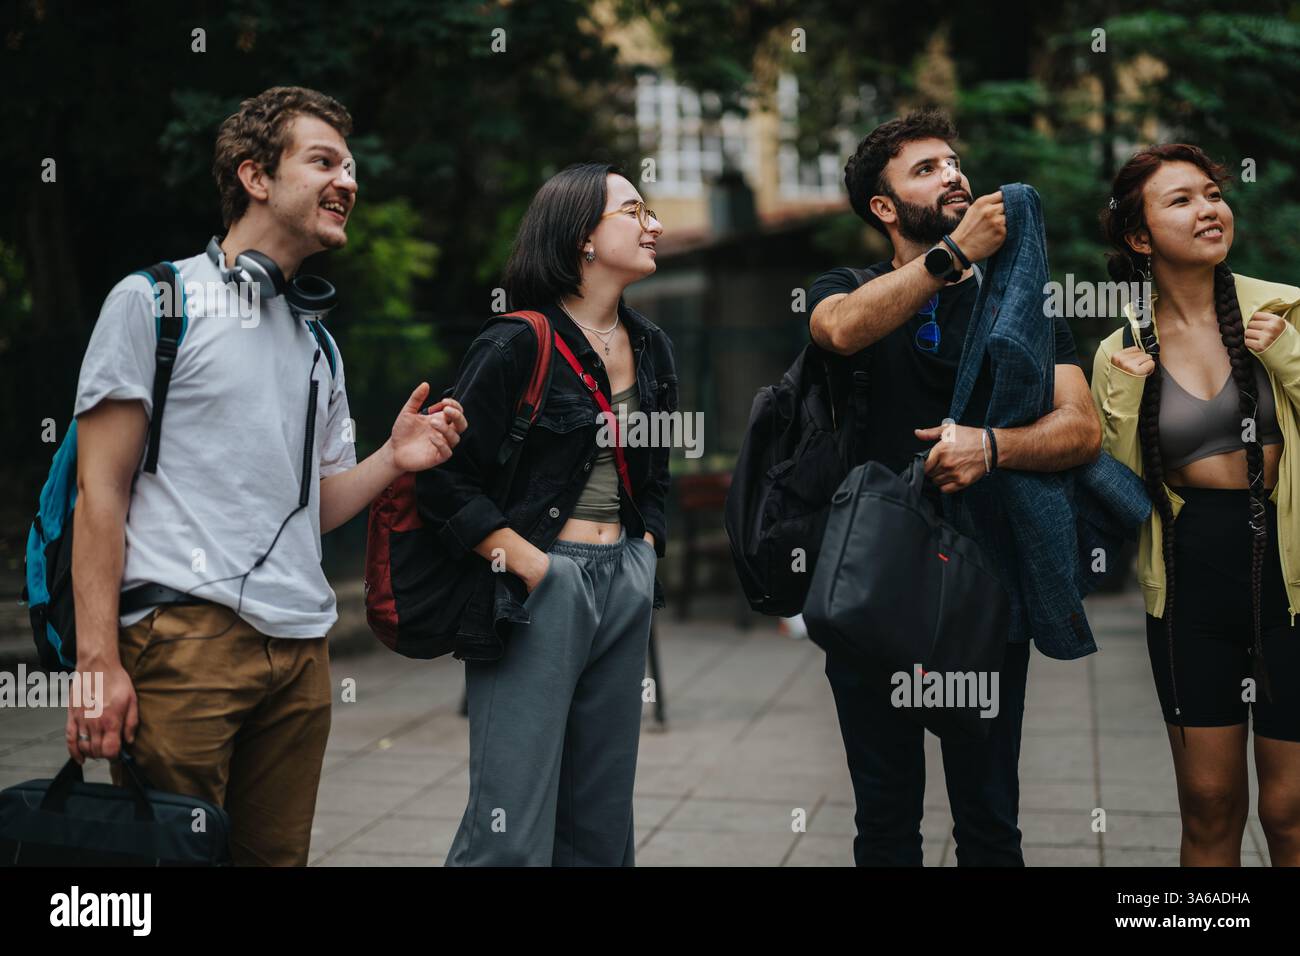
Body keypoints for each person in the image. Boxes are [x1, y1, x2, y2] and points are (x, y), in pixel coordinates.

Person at [66, 86, 467, 865]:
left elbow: (309, 511)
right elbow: (99, 492)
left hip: (301, 654)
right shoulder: (156, 303)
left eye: (350, 167)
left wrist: (394, 458)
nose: (347, 181)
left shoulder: (319, 346)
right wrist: (96, 665)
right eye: (323, 161)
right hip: (182, 643)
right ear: (255, 176)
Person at [807, 108, 1101, 866]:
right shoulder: (849, 286)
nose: (954, 175)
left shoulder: (1023, 302)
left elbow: (1082, 429)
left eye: (954, 162)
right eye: (926, 169)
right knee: (885, 824)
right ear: (883, 206)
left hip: (986, 595)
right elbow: (838, 330)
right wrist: (949, 257)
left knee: (990, 823)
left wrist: (994, 447)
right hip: (873, 591)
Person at [418, 163, 676, 866]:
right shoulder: (516, 342)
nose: (654, 225)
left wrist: (648, 544)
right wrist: (532, 565)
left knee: (599, 821)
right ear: (582, 238)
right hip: (538, 585)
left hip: (623, 577)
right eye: (634, 211)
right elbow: (440, 476)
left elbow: (655, 474)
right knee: (510, 821)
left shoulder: (652, 348)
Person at [1091, 143, 1300, 866]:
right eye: (1181, 200)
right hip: (1189, 579)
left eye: (1212, 193)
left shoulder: (1285, 311)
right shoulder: (1122, 349)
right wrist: (1121, 394)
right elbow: (1117, 491)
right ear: (1140, 236)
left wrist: (1288, 356)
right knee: (1209, 805)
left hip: (1289, 570)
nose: (1209, 208)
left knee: (1290, 807)